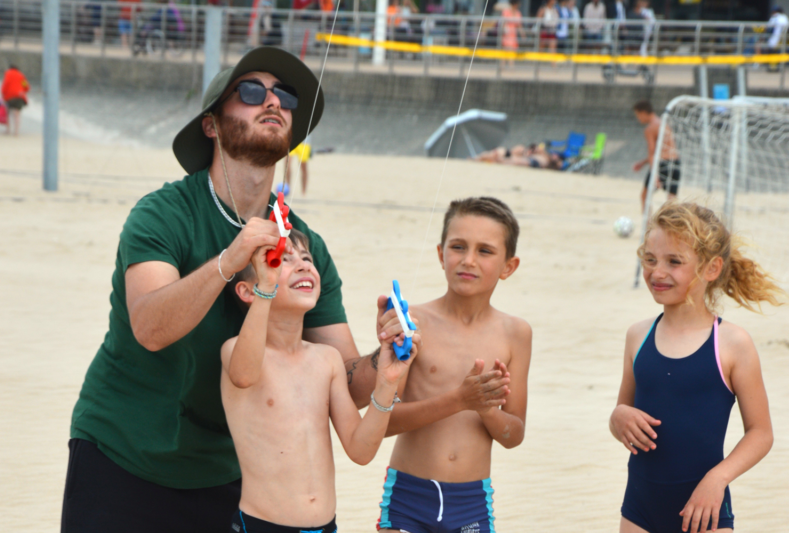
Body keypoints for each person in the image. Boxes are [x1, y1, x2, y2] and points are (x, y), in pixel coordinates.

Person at [60, 45, 507, 533]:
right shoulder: (164, 214)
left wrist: (384, 355)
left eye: (286, 97)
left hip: (230, 474)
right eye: (251, 91)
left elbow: (345, 380)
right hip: (123, 453)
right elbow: (149, 328)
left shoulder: (304, 246)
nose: (273, 101)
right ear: (211, 125)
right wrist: (231, 259)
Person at [222, 228, 418, 533]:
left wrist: (387, 382)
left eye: (306, 258)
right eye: (282, 260)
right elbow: (244, 375)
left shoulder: (327, 360)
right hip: (263, 526)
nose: (302, 265)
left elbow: (360, 450)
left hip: (327, 526)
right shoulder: (236, 351)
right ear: (248, 291)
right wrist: (267, 287)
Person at [610, 201, 783, 533]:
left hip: (706, 513)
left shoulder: (732, 344)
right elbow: (623, 412)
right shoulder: (637, 336)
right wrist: (617, 418)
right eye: (650, 259)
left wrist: (718, 478)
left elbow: (761, 433)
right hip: (638, 511)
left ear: (711, 268)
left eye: (674, 261)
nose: (657, 272)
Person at [376, 197, 532, 533]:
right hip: (408, 497)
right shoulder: (413, 323)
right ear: (440, 254)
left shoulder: (516, 334)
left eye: (485, 251)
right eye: (458, 246)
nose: (468, 260)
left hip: (471, 501)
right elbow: (383, 422)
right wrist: (460, 400)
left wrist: (486, 410)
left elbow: (514, 435)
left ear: (509, 266)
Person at [632, 100, 679, 213]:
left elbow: (652, 152)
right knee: (671, 200)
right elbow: (664, 150)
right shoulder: (664, 124)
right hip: (676, 162)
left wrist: (655, 175)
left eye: (637, 115)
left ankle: (647, 223)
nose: (638, 118)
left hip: (662, 164)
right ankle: (672, 223)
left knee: (645, 196)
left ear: (643, 112)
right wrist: (643, 163)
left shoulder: (650, 128)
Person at [0, 64, 29, 137]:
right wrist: (22, 91)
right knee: (17, 114)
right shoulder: (21, 75)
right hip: (19, 96)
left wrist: (3, 94)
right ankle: (16, 132)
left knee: (7, 113)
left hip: (9, 97)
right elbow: (26, 87)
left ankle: (8, 130)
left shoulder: (8, 74)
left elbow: (5, 85)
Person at [500, 0, 524, 68]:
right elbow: (503, 23)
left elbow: (519, 25)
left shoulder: (518, 13)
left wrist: (522, 34)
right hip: (507, 34)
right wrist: (504, 30)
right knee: (505, 52)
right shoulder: (506, 12)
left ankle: (511, 66)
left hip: (513, 35)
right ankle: (502, 67)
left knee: (512, 52)